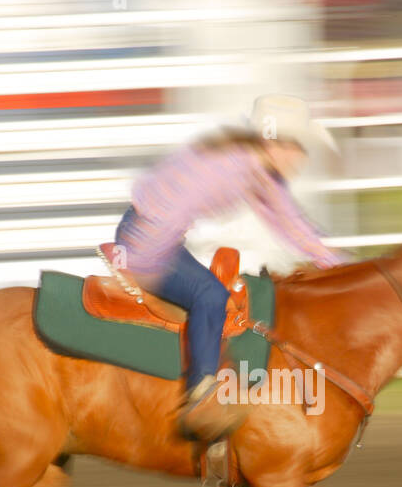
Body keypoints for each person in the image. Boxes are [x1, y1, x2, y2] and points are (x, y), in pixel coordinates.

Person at [112, 94, 347, 440]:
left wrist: (343, 270)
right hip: (147, 237)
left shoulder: (257, 169)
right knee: (209, 293)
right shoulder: (229, 164)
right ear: (274, 142)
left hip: (159, 235)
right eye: (297, 146)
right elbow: (170, 211)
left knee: (215, 290)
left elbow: (295, 227)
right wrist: (143, 263)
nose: (302, 157)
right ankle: (203, 391)